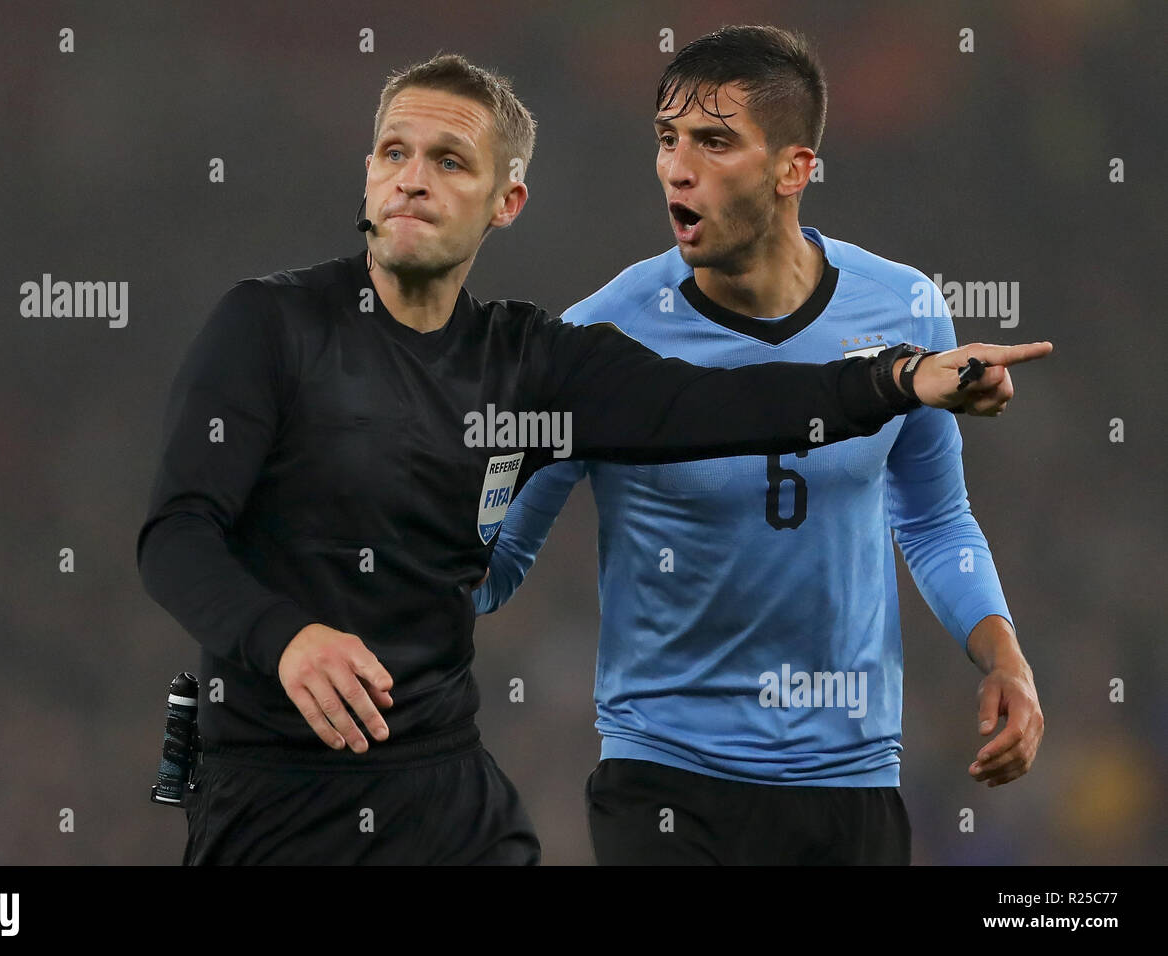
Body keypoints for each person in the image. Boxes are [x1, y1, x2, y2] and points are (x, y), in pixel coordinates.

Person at [136, 52, 1048, 865]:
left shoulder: (535, 360)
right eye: (392, 153)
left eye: (448, 160)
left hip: (457, 788)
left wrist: (901, 376)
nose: (411, 179)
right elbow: (178, 534)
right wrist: (282, 635)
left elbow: (727, 406)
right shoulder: (269, 326)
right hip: (288, 788)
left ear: (507, 201)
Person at [475, 26, 1047, 865]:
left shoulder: (907, 308)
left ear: (793, 168)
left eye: (714, 141)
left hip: (851, 776)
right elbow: (494, 565)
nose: (678, 166)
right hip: (666, 778)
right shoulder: (600, 333)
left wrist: (1005, 658)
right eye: (667, 140)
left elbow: (932, 521)